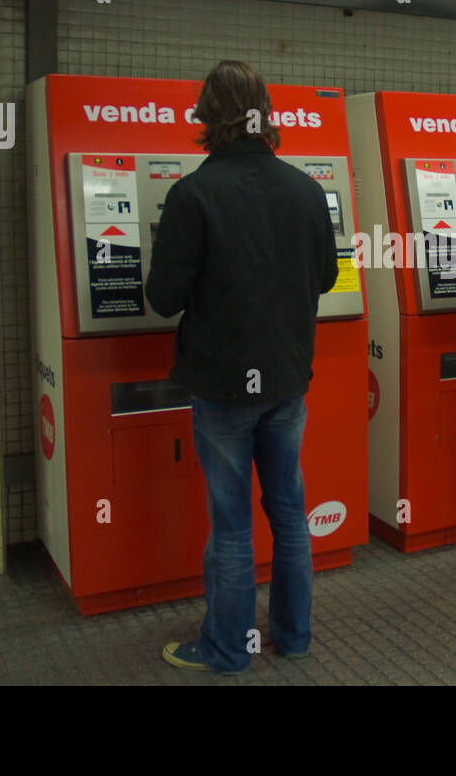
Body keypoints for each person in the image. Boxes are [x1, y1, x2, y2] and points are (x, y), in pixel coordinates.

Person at [145, 61, 338, 672]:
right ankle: (294, 635)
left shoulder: (194, 194)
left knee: (231, 524)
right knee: (287, 511)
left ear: (207, 116)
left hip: (224, 386)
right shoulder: (307, 189)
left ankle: (227, 649)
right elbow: (328, 276)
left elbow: (163, 297)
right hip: (287, 380)